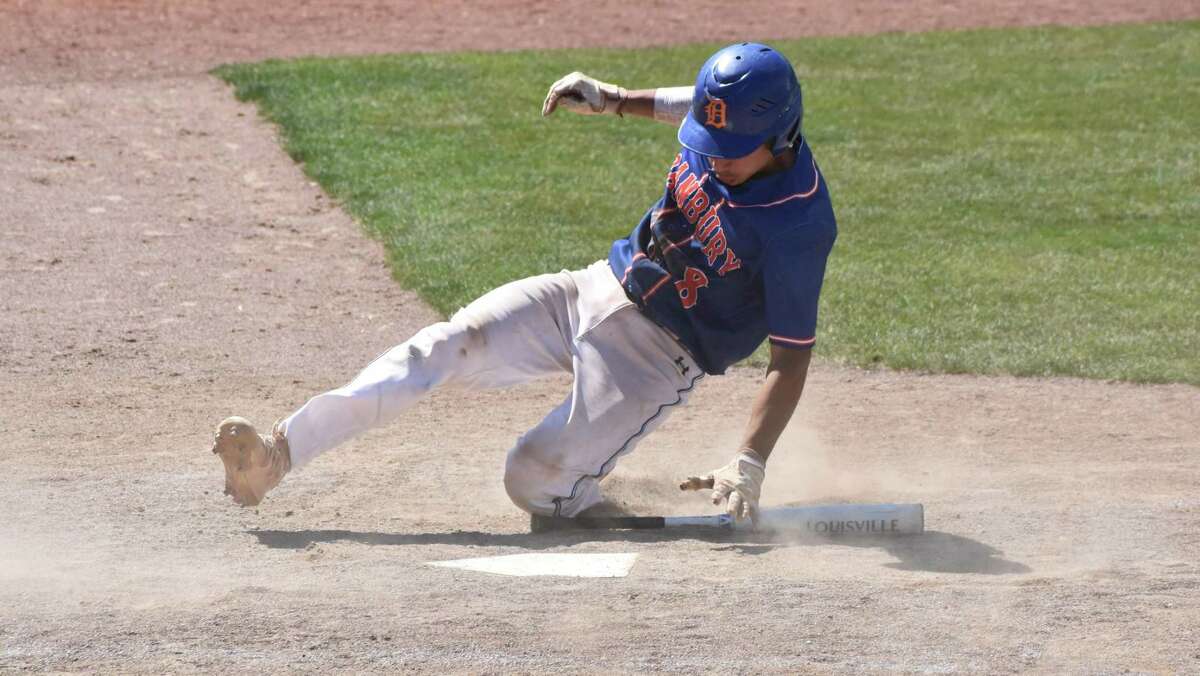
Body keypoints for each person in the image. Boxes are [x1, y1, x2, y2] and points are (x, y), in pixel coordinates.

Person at [211, 42, 837, 526]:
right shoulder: (724, 126)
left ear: (781, 135)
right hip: (592, 288)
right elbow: (690, 104)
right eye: (710, 135)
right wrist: (614, 97)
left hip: (656, 359)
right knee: (445, 343)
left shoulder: (798, 225)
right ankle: (278, 456)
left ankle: (583, 491)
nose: (715, 152)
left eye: (732, 145)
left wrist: (751, 461)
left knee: (529, 481)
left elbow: (790, 359)